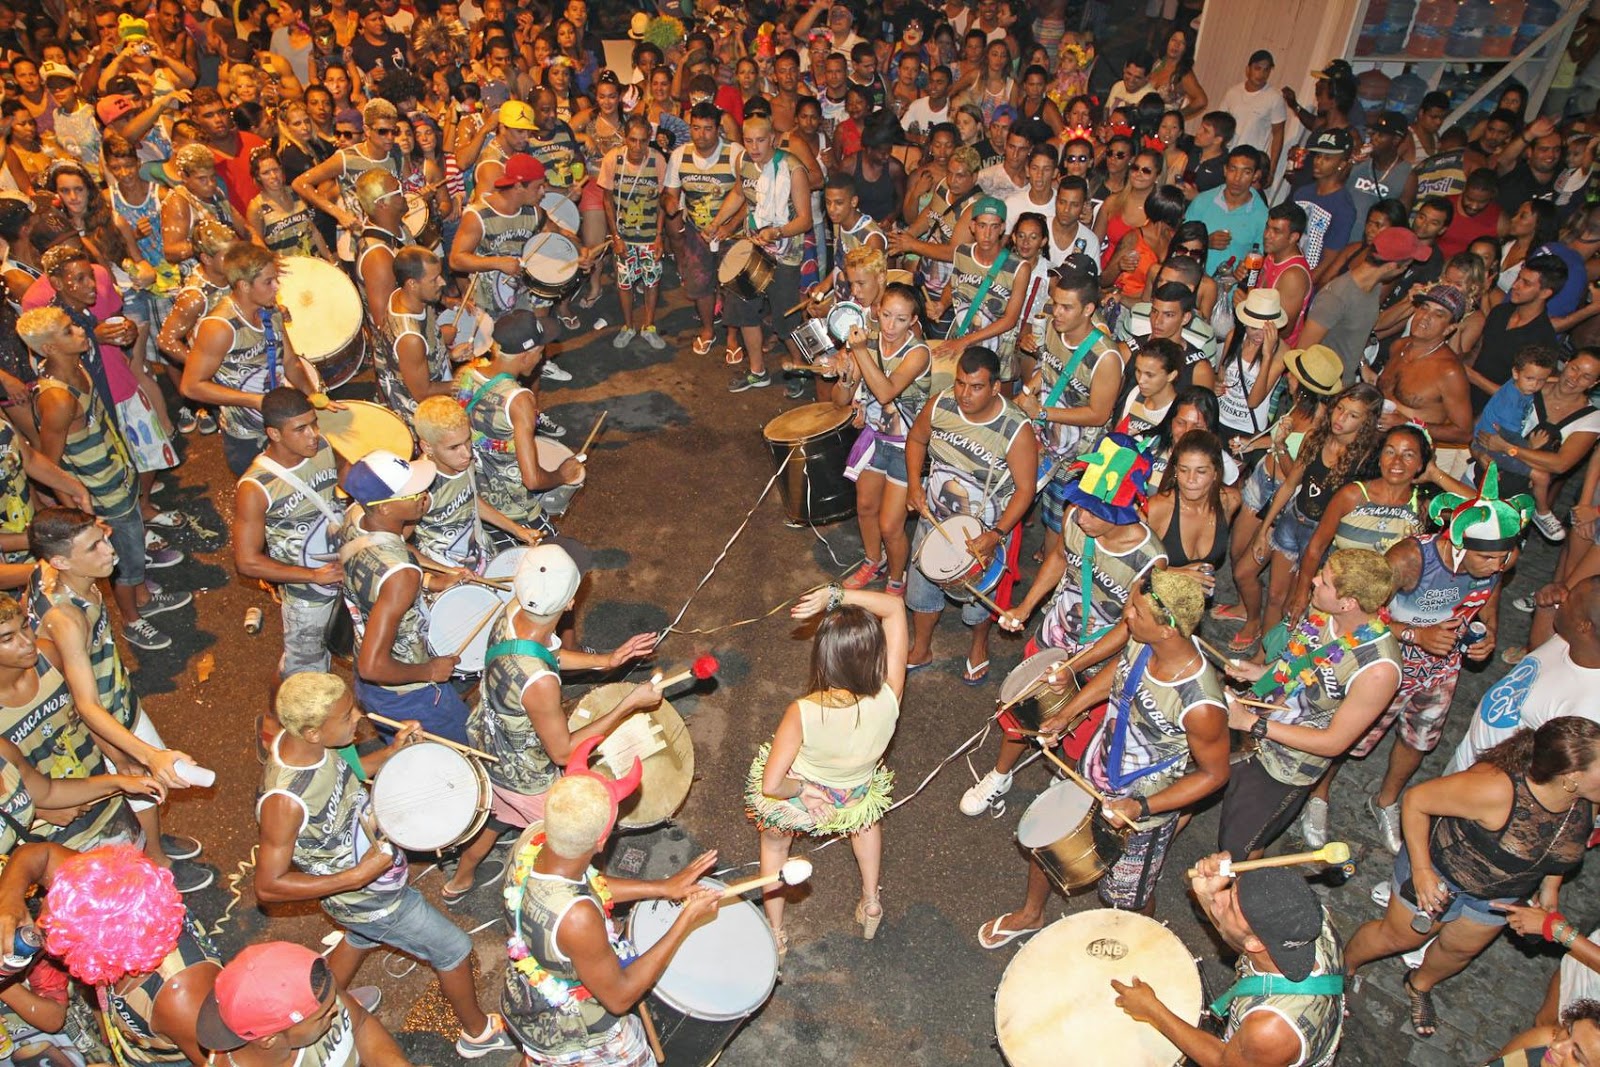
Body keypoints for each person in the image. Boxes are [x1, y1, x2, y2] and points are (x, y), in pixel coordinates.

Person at [254, 671, 516, 1059]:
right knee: (454, 949)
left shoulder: (313, 745)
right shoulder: (285, 801)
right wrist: (358, 876)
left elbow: (349, 775)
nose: (358, 717)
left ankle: (324, 1006)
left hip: (371, 878)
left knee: (360, 938)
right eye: (346, 716)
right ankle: (477, 1033)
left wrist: (394, 752)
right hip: (366, 898)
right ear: (312, 732)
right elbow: (268, 886)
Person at [979, 569, 1227, 946]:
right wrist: (1067, 713)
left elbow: (1213, 775)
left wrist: (1141, 807)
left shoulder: (1201, 703)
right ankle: (1031, 914)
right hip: (1094, 766)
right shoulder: (1144, 644)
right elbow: (1119, 671)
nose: (1127, 616)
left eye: (1137, 614)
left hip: (1143, 805)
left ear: (1167, 630)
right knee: (1049, 842)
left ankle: (1136, 943)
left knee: (1126, 896)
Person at [1306, 469, 1529, 850]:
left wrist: (1489, 633)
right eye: (1488, 557)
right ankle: (1318, 795)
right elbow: (1360, 615)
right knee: (1350, 733)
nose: (1499, 566)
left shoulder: (1497, 563)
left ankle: (1386, 801)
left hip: (1441, 666)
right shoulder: (1410, 559)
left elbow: (1490, 597)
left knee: (1418, 737)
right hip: (1384, 662)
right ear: (1459, 544)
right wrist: (1415, 635)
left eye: (1504, 558)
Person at [1343, 718, 1600, 1040]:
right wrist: (1422, 872)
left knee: (1458, 951)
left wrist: (1549, 892)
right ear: (1572, 777)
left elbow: (1558, 850)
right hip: (1440, 873)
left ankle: (1419, 983)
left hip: (1500, 895)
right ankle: (1343, 968)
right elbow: (1416, 801)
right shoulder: (1496, 788)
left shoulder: (1588, 801)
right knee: (1399, 938)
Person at [448, 544, 660, 902]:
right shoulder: (540, 683)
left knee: (499, 817)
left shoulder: (513, 612)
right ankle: (585, 899)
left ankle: (459, 881)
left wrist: (607, 661)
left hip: (489, 747)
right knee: (573, 843)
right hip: (527, 777)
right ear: (570, 604)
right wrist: (626, 705)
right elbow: (562, 753)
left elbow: (545, 651)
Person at [968, 435, 1166, 816]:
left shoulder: (1149, 561)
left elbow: (1131, 629)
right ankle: (999, 774)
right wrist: (1026, 607)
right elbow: (1059, 556)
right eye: (1081, 505)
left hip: (1099, 664)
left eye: (1095, 511)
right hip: (1054, 638)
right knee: (1020, 709)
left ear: (1122, 508)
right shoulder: (1075, 516)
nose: (1082, 515)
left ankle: (1059, 786)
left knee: (1079, 737)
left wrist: (1074, 667)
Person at [23, 508, 207, 889]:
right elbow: (85, 704)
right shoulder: (66, 618)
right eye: (95, 546)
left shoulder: (60, 572)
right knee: (140, 780)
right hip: (102, 719)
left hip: (119, 699)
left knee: (141, 787)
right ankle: (158, 865)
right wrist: (144, 753)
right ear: (60, 560)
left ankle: (152, 844)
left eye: (104, 538)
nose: (110, 550)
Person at [499, 748, 719, 1065]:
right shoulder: (577, 918)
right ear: (602, 840)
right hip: (572, 1032)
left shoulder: (533, 845)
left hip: (522, 1002)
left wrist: (662, 887)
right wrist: (685, 921)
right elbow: (619, 997)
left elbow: (589, 883)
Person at [748, 582, 906, 954]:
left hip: (803, 798)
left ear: (824, 658)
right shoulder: (890, 692)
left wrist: (801, 789)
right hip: (854, 794)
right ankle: (871, 902)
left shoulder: (803, 712)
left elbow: (773, 784)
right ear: (875, 656)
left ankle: (776, 933)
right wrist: (835, 595)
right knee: (867, 824)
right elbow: (895, 608)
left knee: (774, 843)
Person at [17, 308, 186, 652]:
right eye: (68, 331)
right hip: (102, 498)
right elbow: (50, 462)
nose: (80, 331)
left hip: (118, 480)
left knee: (133, 550)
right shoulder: (59, 399)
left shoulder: (77, 367)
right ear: (49, 348)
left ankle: (141, 596)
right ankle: (132, 620)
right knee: (122, 562)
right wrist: (80, 518)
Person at [1220, 549, 1401, 858]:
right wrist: (1260, 674)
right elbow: (1296, 671)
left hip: (1285, 767)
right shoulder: (1322, 615)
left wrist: (1252, 724)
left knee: (1237, 849)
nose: (1314, 579)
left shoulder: (1378, 669)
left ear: (1349, 602)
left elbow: (1334, 743)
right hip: (1251, 725)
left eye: (1326, 581)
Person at [0, 843, 221, 1064]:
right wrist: (8, 900)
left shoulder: (180, 1000)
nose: (36, 928)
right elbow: (42, 855)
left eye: (50, 933)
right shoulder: (105, 893)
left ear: (98, 947)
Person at [1114, 859, 1344, 1066]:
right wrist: (1205, 894)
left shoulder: (1269, 1029)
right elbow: (1243, 938)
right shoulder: (1311, 923)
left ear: (1255, 943)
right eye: (1232, 889)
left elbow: (1224, 1062)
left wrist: (1153, 1010)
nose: (1220, 896)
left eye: (1231, 905)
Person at [902, 346, 1037, 682]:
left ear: (995, 387)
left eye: (975, 387)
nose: (964, 394)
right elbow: (917, 440)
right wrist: (914, 485)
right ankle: (922, 647)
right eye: (960, 383)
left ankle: (979, 646)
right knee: (920, 590)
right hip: (934, 514)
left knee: (978, 600)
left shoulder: (1014, 429)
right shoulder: (941, 404)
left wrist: (996, 535)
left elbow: (1025, 491)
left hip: (983, 528)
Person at [234, 388, 344, 679]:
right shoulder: (255, 487)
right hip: (307, 596)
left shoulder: (322, 447)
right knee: (304, 673)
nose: (313, 434)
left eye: (314, 423)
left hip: (344, 572)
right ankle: (277, 720)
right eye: (301, 429)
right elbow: (246, 561)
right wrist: (313, 575)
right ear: (275, 433)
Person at [184, 243, 317, 476]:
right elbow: (191, 386)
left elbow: (290, 361)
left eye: (275, 279)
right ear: (244, 285)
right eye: (268, 282)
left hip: (281, 424)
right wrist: (254, 400)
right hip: (246, 435)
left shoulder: (271, 310)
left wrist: (312, 395)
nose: (277, 287)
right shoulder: (219, 327)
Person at [1015, 268, 1122, 558]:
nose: (1056, 312)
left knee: (1057, 525)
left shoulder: (1106, 357)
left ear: (1088, 309)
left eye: (1066, 307)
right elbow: (1050, 373)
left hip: (1078, 457)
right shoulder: (1052, 328)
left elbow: (1099, 415)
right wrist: (1027, 392)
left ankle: (1052, 591)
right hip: (1044, 440)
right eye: (1055, 303)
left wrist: (1043, 413)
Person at [1448, 575, 1600, 773]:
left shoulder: (1585, 709)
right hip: (1470, 754)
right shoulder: (1576, 642)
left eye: (1570, 598)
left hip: (1487, 781)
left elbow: (1546, 773)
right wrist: (1545, 611)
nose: (1563, 597)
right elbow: (1539, 656)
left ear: (1584, 626)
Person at [835, 280, 931, 595]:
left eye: (901, 319)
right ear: (877, 311)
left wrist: (860, 353)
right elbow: (839, 400)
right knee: (864, 507)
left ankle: (896, 577)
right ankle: (872, 560)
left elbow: (887, 390)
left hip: (907, 448)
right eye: (887, 315)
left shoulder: (917, 353)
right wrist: (846, 377)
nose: (891, 325)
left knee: (891, 525)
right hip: (874, 440)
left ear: (913, 321)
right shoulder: (869, 342)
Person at [455, 312, 583, 539]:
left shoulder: (466, 374)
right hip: (515, 510)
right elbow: (532, 480)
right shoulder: (518, 400)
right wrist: (561, 475)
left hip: (476, 500)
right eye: (540, 353)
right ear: (526, 355)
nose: (541, 359)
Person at [714, 117, 814, 395]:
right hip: (753, 248)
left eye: (760, 140)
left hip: (785, 255)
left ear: (772, 138)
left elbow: (805, 220)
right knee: (745, 309)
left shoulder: (792, 168)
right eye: (748, 140)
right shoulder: (744, 162)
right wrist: (717, 222)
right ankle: (758, 372)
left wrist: (777, 232)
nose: (754, 147)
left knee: (786, 318)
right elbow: (739, 194)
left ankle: (800, 368)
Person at [195, 941, 415, 1066]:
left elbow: (360, 1024)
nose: (337, 1009)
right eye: (323, 1015)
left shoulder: (314, 990)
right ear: (269, 1040)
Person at [664, 101, 745, 358]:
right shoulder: (679, 155)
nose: (701, 135)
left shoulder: (735, 153)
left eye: (708, 129)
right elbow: (671, 193)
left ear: (718, 129)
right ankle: (708, 329)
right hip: (696, 232)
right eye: (696, 128)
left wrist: (730, 225)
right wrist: (669, 204)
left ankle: (732, 335)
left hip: (730, 233)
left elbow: (749, 197)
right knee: (700, 284)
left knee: (732, 286)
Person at [1297, 226, 1421, 387]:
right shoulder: (1336, 296)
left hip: (1343, 385)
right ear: (1391, 266)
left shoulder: (1373, 287)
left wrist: (1363, 365)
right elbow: (1302, 350)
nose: (1405, 270)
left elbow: (1365, 326)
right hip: (1320, 387)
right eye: (1406, 266)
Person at [931, 198, 1033, 386]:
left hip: (996, 348)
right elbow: (953, 285)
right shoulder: (961, 252)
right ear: (972, 226)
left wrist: (966, 340)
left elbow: (1010, 320)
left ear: (1002, 228)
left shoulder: (1019, 268)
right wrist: (942, 304)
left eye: (994, 227)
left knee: (995, 398)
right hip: (961, 339)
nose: (987, 234)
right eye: (982, 225)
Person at [1376, 284, 1475, 472]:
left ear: (1449, 328)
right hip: (1374, 447)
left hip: (1405, 462)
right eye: (1424, 308)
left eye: (1439, 315)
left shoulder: (1449, 371)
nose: (1425, 317)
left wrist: (1407, 423)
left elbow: (1464, 433)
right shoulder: (1399, 347)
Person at [600, 116, 667, 349]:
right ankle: (628, 326)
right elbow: (606, 199)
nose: (638, 147)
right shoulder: (612, 159)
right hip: (624, 236)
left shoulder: (658, 160)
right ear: (625, 139)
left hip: (649, 236)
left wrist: (659, 236)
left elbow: (662, 200)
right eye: (633, 140)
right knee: (625, 283)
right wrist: (615, 236)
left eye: (643, 141)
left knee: (652, 281)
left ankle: (649, 326)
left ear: (649, 138)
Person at [1466, 254, 1563, 409]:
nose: (1515, 285)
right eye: (1518, 278)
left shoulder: (1543, 340)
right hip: (1464, 397)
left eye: (1526, 283)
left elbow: (1520, 397)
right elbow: (1478, 351)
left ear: (1545, 293)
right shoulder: (1500, 312)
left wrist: (1473, 377)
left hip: (1494, 413)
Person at [375, 247, 458, 425]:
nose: (442, 283)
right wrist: (466, 383)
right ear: (412, 284)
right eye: (434, 280)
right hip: (423, 413)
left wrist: (449, 353)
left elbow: (424, 350)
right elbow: (422, 392)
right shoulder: (410, 337)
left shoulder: (403, 295)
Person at [1219, 50, 1287, 179]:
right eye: (1257, 68)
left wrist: (1271, 171)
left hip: (1253, 163)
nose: (1261, 74)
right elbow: (1220, 125)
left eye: (1266, 70)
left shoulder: (1275, 97)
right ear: (1248, 69)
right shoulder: (1233, 92)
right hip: (1228, 158)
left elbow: (1278, 134)